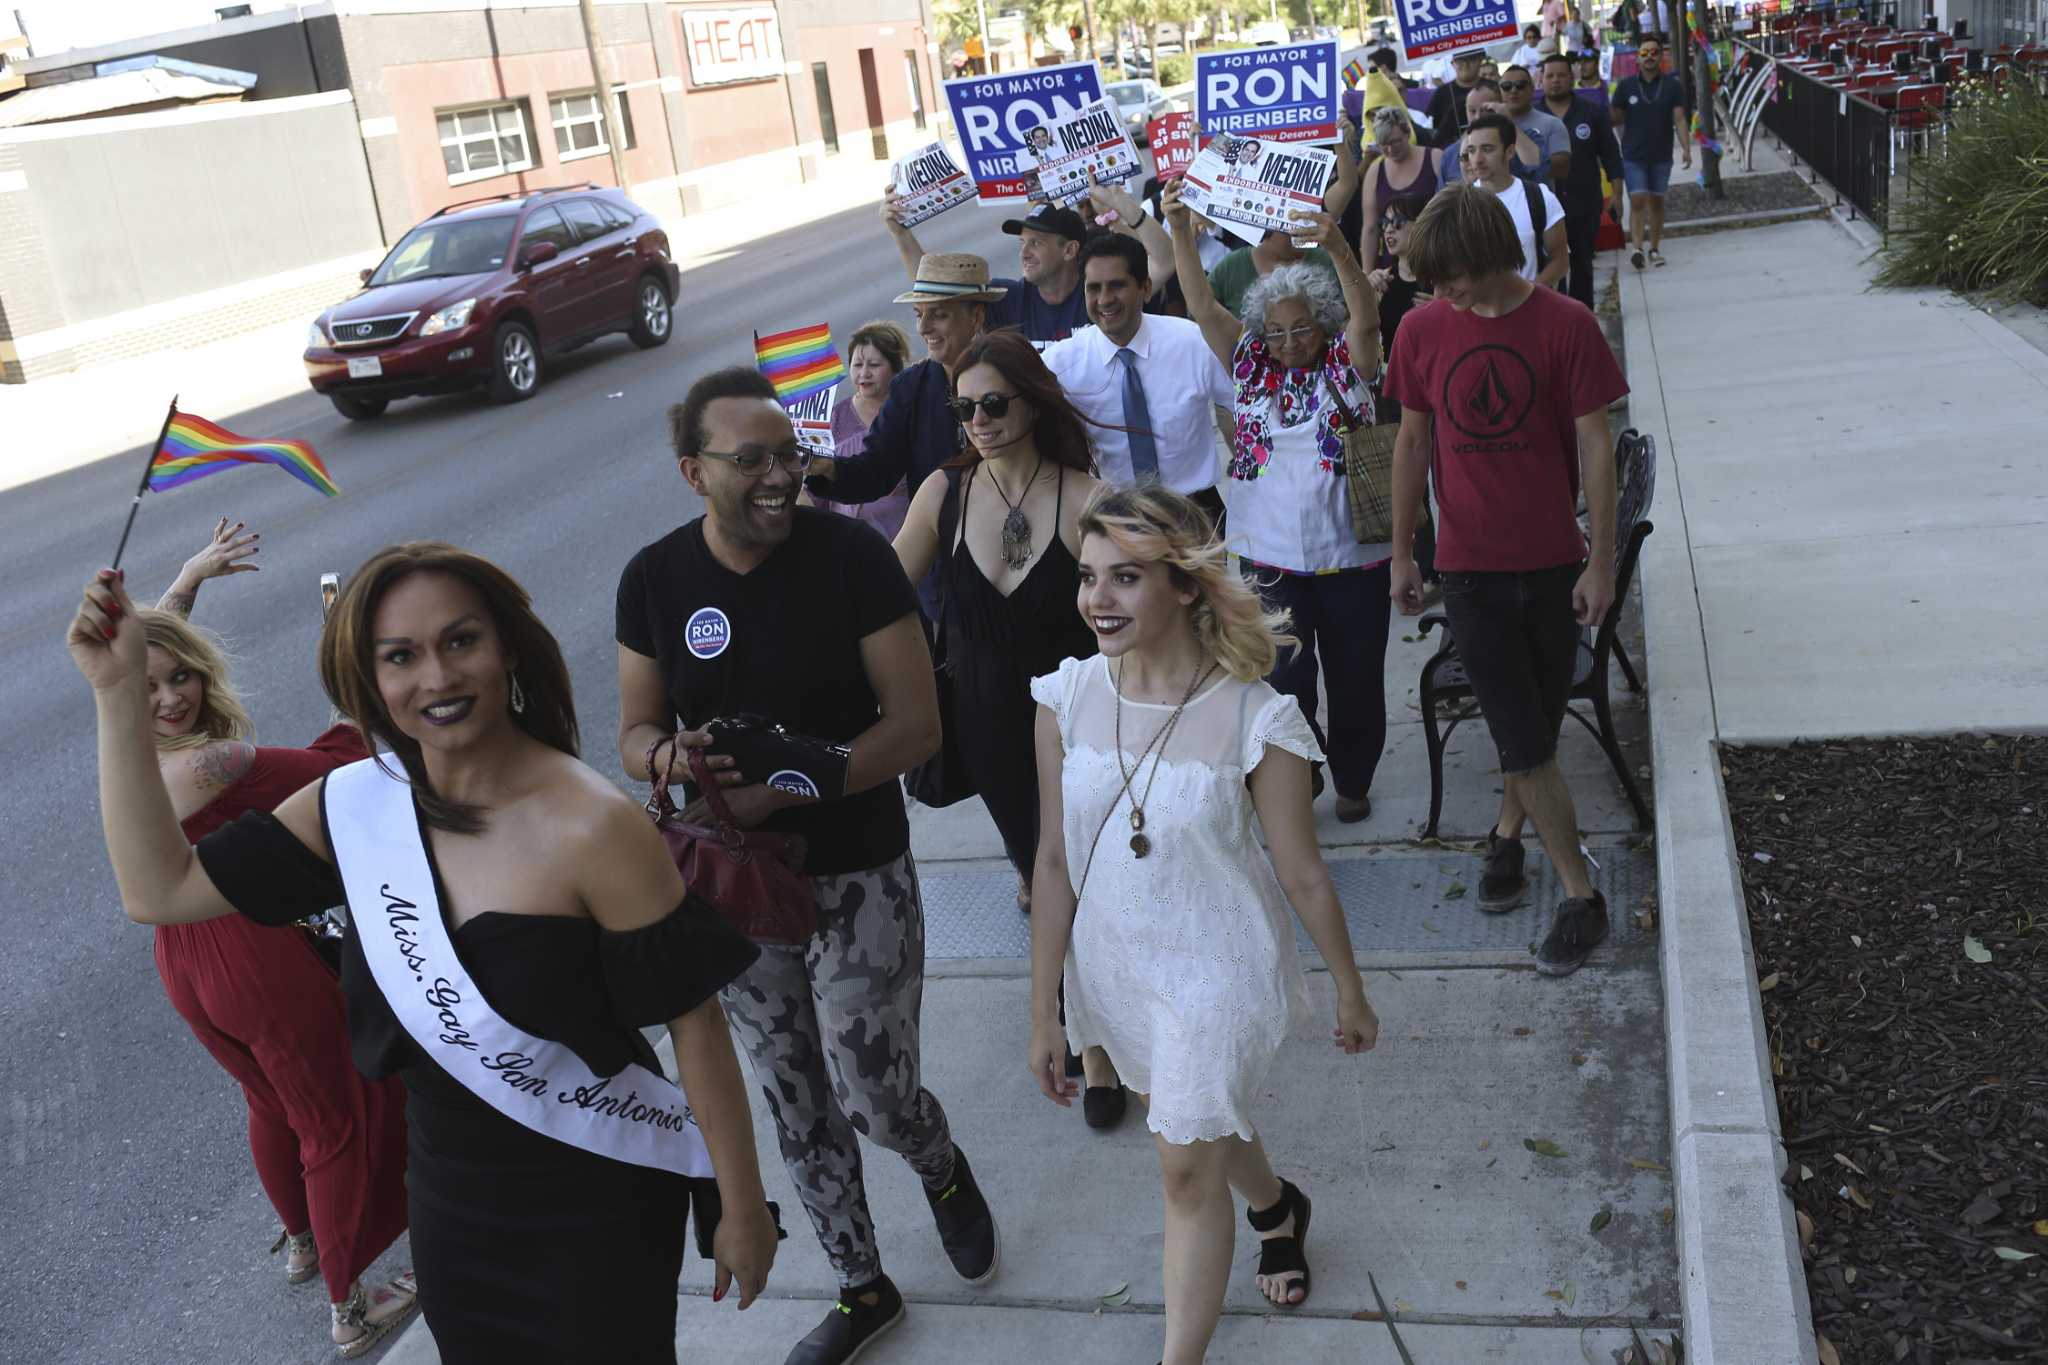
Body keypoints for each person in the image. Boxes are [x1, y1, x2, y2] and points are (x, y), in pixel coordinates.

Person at [73, 543, 781, 1364]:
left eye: (460, 641)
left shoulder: (593, 824)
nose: (436, 678)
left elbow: (695, 1023)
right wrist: (116, 692)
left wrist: (742, 1205)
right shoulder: (352, 806)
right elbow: (157, 890)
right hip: (452, 1208)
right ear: (369, 678)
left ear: (507, 647)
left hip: (595, 1201)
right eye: (400, 656)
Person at [618, 368, 996, 1365]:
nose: (782, 475)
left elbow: (914, 729)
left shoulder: (853, 559)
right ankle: (860, 1287)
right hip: (737, 892)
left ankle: (939, 1161)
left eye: (789, 454)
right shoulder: (654, 580)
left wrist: (793, 779)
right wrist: (671, 759)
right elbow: (633, 730)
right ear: (694, 473)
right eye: (754, 460)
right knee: (794, 1096)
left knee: (874, 1096)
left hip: (857, 872)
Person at [1025, 484, 1378, 1365]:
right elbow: (1054, 860)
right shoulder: (1064, 698)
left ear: (1183, 587)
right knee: (1195, 1113)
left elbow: (1301, 869)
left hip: (1217, 964)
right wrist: (1046, 1008)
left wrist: (1348, 985)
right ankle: (1275, 1207)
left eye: (1125, 577)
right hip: (1118, 960)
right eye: (1088, 576)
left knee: (1182, 1166)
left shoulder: (1259, 716)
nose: (1097, 599)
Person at [136, 520, 415, 1358]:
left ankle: (300, 1241)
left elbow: (144, 655)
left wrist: (187, 578)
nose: (170, 697)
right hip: (248, 949)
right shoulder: (215, 760)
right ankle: (351, 1306)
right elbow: (330, 770)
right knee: (333, 1116)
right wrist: (356, 709)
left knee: (270, 1102)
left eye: (181, 674)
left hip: (185, 958)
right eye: (153, 686)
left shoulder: (131, 744)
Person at [1383, 183, 1630, 979]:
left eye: (1451, 272)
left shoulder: (1567, 325)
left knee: (1536, 735)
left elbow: (1597, 446)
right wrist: (1401, 550)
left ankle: (1507, 838)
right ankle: (1580, 896)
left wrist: (1602, 558)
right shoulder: (1421, 330)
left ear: (1490, 254)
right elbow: (1411, 444)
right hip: (1470, 573)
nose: (1440, 289)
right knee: (1522, 739)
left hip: (1556, 565)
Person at [1167, 178, 1392, 825]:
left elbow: (1368, 317)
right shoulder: (1249, 365)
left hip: (1352, 553)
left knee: (1355, 676)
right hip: (1268, 555)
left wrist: (1339, 248)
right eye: (1276, 332)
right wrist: (1181, 230)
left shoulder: (1348, 364)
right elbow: (1204, 306)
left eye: (1301, 329)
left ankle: (1353, 775)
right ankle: (1305, 770)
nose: (1289, 342)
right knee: (1282, 679)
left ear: (1321, 325)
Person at [804, 253, 1000, 614]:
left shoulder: (1013, 371)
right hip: (943, 579)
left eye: (939, 314)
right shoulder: (912, 386)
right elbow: (876, 469)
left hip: (1010, 555)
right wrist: (823, 468)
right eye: (919, 314)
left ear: (976, 316)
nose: (924, 328)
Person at [1041, 232, 1233, 521]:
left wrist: (1260, 479)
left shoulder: (1193, 343)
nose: (1105, 300)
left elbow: (1241, 410)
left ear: (1145, 288)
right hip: (1113, 520)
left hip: (1195, 514)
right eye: (1093, 288)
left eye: (1117, 286)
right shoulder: (1058, 365)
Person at [807, 321, 916, 541]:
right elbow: (814, 494)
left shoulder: (911, 413)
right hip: (850, 542)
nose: (864, 374)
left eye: (874, 365)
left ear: (895, 367)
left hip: (907, 536)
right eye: (857, 365)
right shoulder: (833, 422)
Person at [1542, 52, 1626, 306]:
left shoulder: (1592, 113)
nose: (1555, 81)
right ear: (1541, 80)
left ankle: (1584, 316)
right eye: (1549, 76)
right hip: (1544, 208)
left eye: (1561, 75)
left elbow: (1611, 156)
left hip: (1584, 202)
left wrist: (1618, 196)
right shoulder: (1532, 118)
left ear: (1572, 78)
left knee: (1582, 264)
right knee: (1553, 267)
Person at [1612, 34, 1690, 269]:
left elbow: (1679, 119)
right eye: (1644, 53)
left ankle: (1654, 249)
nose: (1649, 57)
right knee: (1637, 200)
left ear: (1661, 56)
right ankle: (1636, 248)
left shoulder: (1672, 86)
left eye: (1654, 52)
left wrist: (1686, 148)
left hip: (1661, 154)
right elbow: (1613, 117)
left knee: (1656, 202)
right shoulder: (1625, 86)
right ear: (1638, 58)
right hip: (1633, 154)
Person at [1465, 113, 1569, 289]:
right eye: (1472, 150)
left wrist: (1528, 294)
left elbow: (1560, 261)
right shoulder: (1459, 202)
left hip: (1531, 310)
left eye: (1488, 149)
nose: (1478, 159)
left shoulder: (1539, 197)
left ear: (1510, 151)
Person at [1359, 105, 1437, 269]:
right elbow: (1370, 229)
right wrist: (1367, 274)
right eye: (1383, 145)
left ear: (1408, 133)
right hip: (1393, 266)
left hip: (1432, 259)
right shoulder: (1375, 171)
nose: (1390, 149)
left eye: (1395, 142)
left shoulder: (1434, 158)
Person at [1439, 79, 1542, 184]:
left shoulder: (1527, 138)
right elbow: (1442, 196)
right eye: (1472, 111)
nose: (1478, 117)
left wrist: (1509, 121)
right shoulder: (1450, 154)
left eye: (1486, 110)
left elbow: (1536, 165)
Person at [1501, 64, 1573, 188]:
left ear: (1532, 89)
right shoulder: (1491, 125)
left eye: (1520, 85)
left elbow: (1562, 169)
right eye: (1506, 86)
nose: (1513, 90)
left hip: (1537, 200)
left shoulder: (1552, 123)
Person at [1424, 49, 1485, 149]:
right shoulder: (1441, 93)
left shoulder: (1492, 88)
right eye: (1460, 61)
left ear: (1480, 61)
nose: (1465, 64)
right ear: (1453, 63)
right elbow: (1433, 128)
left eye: (1471, 59)